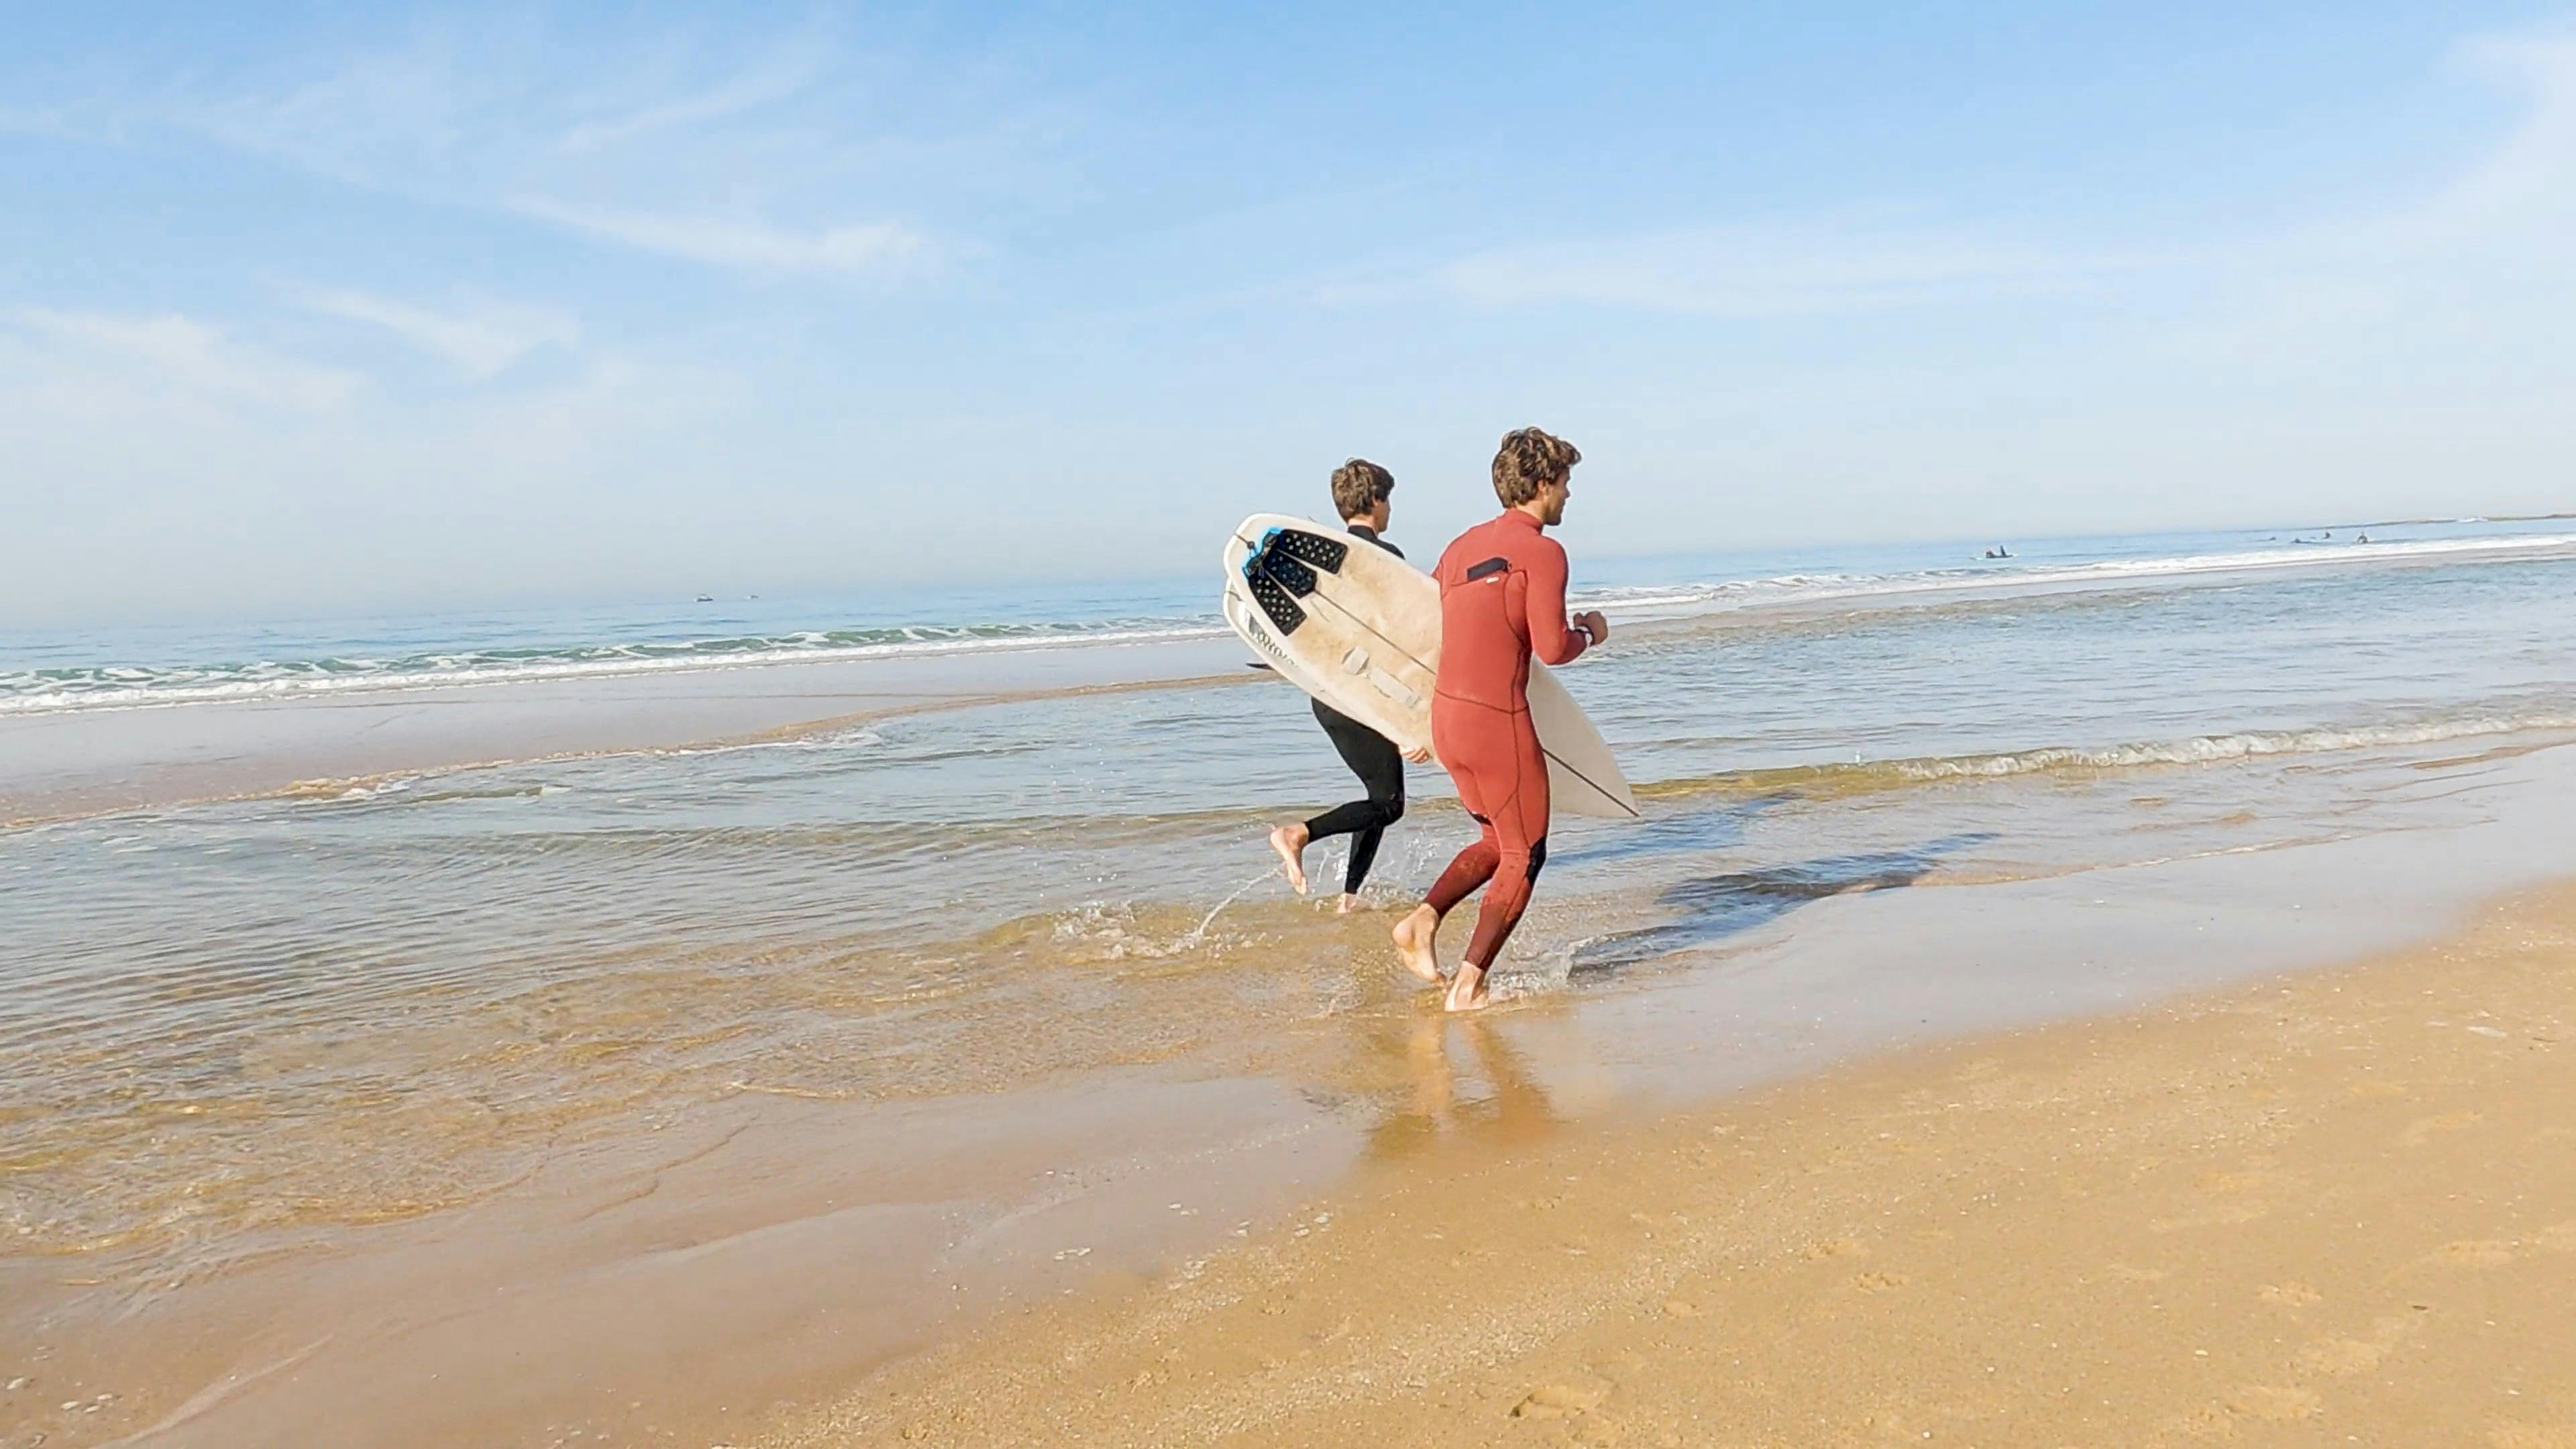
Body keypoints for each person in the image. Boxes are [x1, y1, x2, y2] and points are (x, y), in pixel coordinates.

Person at [1392, 428, 1609, 1010]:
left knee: (1495, 838)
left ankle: (1423, 919)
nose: (1568, 495)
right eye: (1565, 483)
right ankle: (1469, 985)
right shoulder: (1543, 551)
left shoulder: (1460, 547)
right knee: (1525, 852)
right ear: (1542, 484)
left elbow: (1434, 632)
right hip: (1496, 722)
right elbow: (1552, 647)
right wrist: (1591, 629)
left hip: (1447, 719)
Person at [1269, 459, 1433, 912]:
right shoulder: (1385, 559)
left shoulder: (1318, 559)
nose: (1390, 510)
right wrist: (1406, 724)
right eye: (1389, 500)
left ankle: (1349, 896)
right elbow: (1399, 643)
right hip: (1368, 696)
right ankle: (1298, 833)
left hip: (1326, 694)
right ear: (1377, 501)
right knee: (1390, 805)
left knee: (1379, 798)